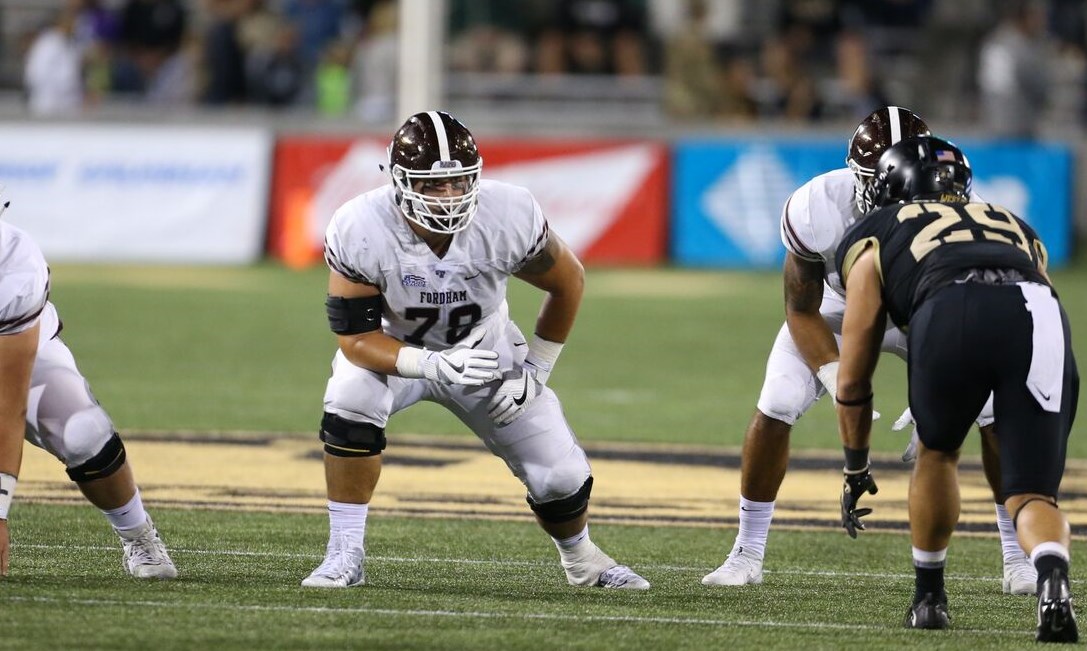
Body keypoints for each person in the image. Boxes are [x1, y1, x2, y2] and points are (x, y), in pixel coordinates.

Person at [301, 110, 649, 591]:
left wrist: (537, 369)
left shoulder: (507, 213)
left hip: (485, 351)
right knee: (350, 400)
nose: (448, 197)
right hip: (395, 352)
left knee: (561, 477)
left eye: (458, 183)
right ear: (398, 182)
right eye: (431, 186)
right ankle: (344, 554)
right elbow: (356, 339)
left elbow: (568, 281)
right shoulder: (361, 224)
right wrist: (430, 364)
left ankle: (582, 560)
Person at [701, 106, 1037, 596]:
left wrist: (941, 392)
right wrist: (834, 373)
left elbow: (966, 312)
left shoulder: (964, 208)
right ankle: (747, 552)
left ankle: (1017, 558)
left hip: (925, 311)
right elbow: (801, 308)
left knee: (992, 412)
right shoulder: (818, 204)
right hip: (841, 307)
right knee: (776, 400)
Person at [835, 136, 1078, 641]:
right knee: (1032, 492)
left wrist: (856, 462)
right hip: (1041, 314)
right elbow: (1035, 283)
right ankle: (1052, 575)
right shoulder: (1016, 224)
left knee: (938, 453)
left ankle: (929, 599)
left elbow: (854, 375)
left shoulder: (876, 230)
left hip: (952, 306)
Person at [0, 199, 176, 580]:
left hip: (15, 356)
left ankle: (137, 533)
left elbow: (7, 405)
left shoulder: (13, 263)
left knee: (82, 431)